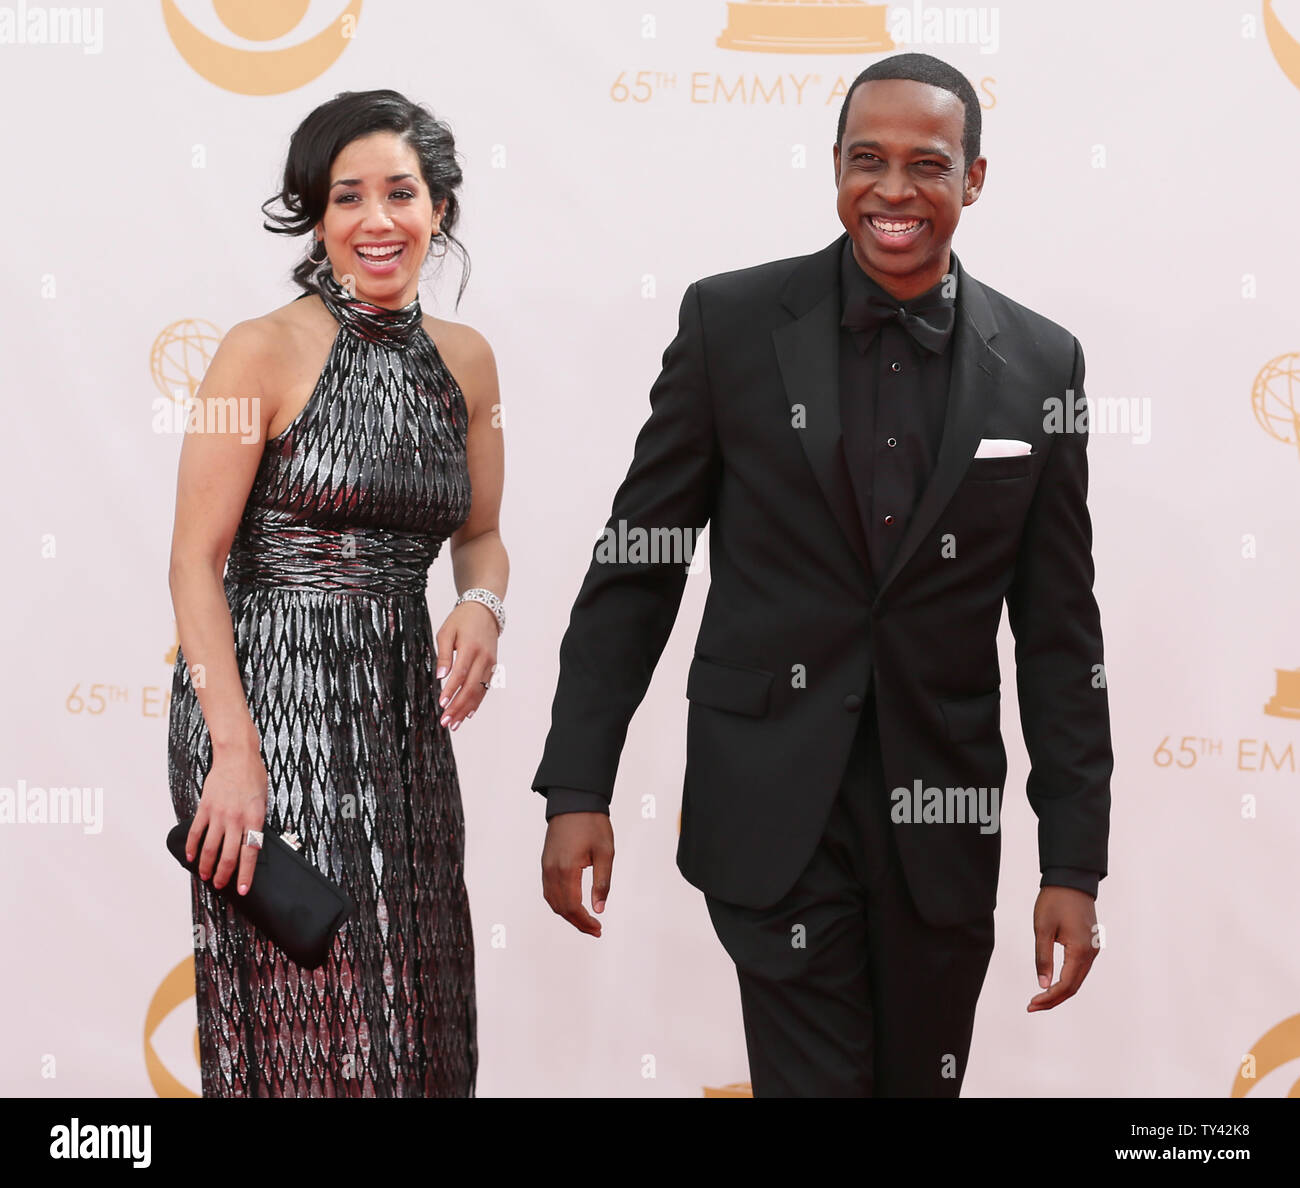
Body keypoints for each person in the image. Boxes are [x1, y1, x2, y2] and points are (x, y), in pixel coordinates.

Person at [534, 53, 1111, 1096]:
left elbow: (1061, 634)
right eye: (867, 160)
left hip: (938, 824)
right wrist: (578, 783)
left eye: (927, 165)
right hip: (770, 808)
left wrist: (1073, 862)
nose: (893, 191)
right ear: (834, 169)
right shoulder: (732, 325)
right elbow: (638, 566)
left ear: (974, 179)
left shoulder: (1040, 364)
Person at [167, 89, 506, 1097]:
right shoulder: (258, 350)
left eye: (400, 192)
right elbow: (194, 558)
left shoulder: (469, 363)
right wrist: (234, 751)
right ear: (316, 216)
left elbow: (481, 534)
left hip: (400, 721)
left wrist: (482, 605)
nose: (377, 219)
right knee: (312, 1022)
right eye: (347, 196)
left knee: (419, 1019)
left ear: (437, 207)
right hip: (263, 716)